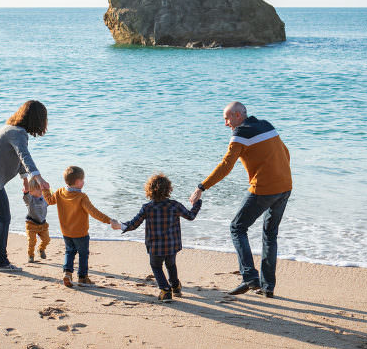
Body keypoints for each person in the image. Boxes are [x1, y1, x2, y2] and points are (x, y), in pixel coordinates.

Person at [189, 102, 291, 297]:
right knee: (270, 235)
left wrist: (202, 186)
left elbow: (226, 165)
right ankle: (267, 287)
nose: (226, 123)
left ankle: (249, 278)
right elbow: (286, 153)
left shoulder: (240, 134)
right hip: (285, 186)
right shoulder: (267, 125)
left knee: (237, 227)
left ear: (238, 115)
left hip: (263, 189)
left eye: (227, 119)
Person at [0, 100, 50, 272]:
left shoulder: (12, 129)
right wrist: (38, 177)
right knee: (3, 218)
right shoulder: (18, 133)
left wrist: (24, 179)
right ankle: (0, 262)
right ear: (37, 119)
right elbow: (24, 155)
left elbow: (18, 157)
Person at [118, 173, 202, 302]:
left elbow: (134, 224)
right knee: (171, 264)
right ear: (169, 190)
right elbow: (190, 216)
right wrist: (197, 203)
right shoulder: (174, 205)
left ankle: (165, 290)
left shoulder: (147, 208)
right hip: (172, 244)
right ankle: (175, 286)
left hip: (155, 246)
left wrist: (120, 226)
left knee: (156, 266)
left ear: (149, 191)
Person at [43, 166, 121, 287]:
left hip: (66, 232)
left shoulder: (59, 192)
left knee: (69, 252)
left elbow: (49, 200)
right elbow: (94, 212)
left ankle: (67, 273)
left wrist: (45, 190)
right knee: (83, 254)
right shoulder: (81, 197)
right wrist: (109, 220)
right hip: (80, 233)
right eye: (82, 180)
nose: (84, 182)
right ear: (78, 182)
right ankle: (82, 277)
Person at [23, 177, 50, 263]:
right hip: (31, 224)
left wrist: (48, 189)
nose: (40, 191)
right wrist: (26, 191)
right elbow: (26, 197)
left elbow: (51, 199)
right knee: (32, 241)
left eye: (40, 189)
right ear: (31, 191)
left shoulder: (44, 198)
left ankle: (41, 249)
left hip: (42, 224)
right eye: (37, 189)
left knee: (47, 239)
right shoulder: (30, 199)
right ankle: (30, 255)